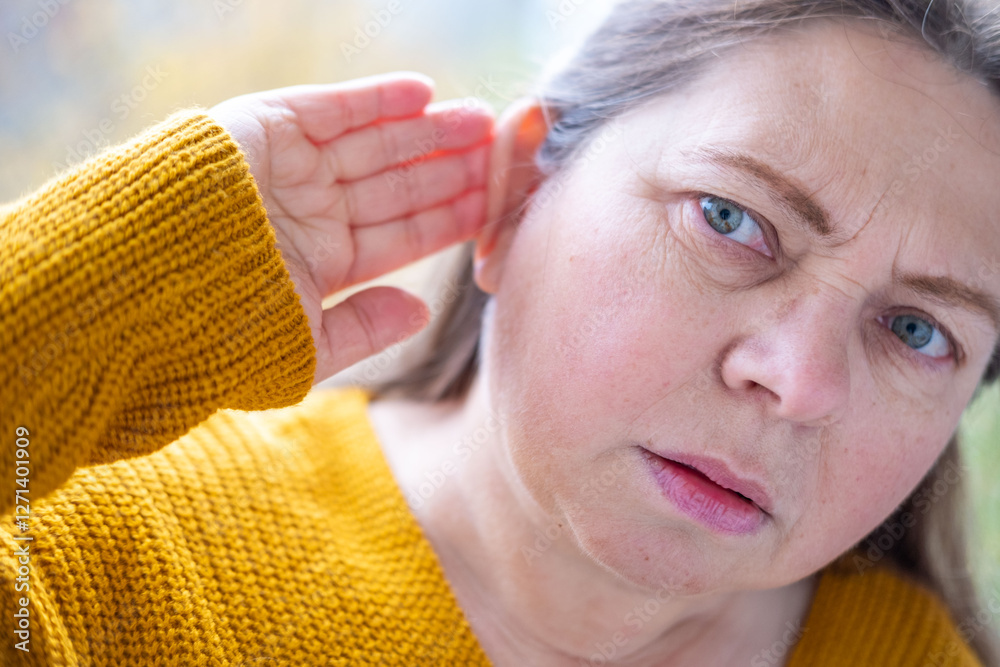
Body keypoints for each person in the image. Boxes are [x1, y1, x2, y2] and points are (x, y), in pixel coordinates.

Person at [3, 0, 1000, 665]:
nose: (795, 379)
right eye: (731, 220)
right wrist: (81, 290)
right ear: (522, 192)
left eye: (915, 329)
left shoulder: (901, 651)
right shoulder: (101, 564)